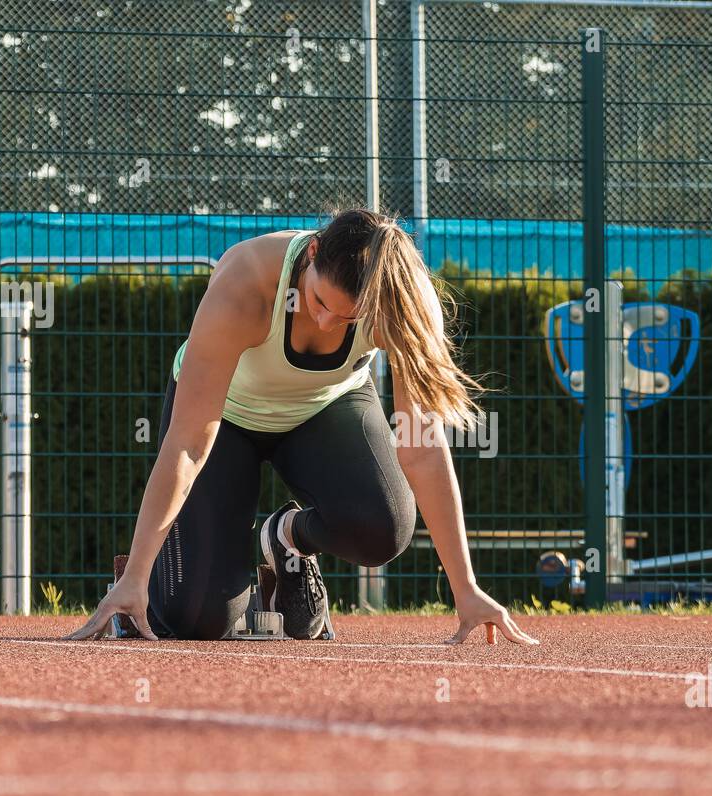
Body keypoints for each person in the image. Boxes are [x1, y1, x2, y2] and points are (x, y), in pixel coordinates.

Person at [65, 209, 538, 646]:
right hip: (228, 416)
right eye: (318, 301)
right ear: (311, 253)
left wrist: (467, 588)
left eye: (347, 317)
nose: (327, 321)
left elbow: (422, 449)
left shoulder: (402, 304)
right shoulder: (246, 281)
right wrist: (136, 578)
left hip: (322, 408)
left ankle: (285, 538)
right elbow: (189, 443)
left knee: (384, 529)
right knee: (200, 622)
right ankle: (139, 581)